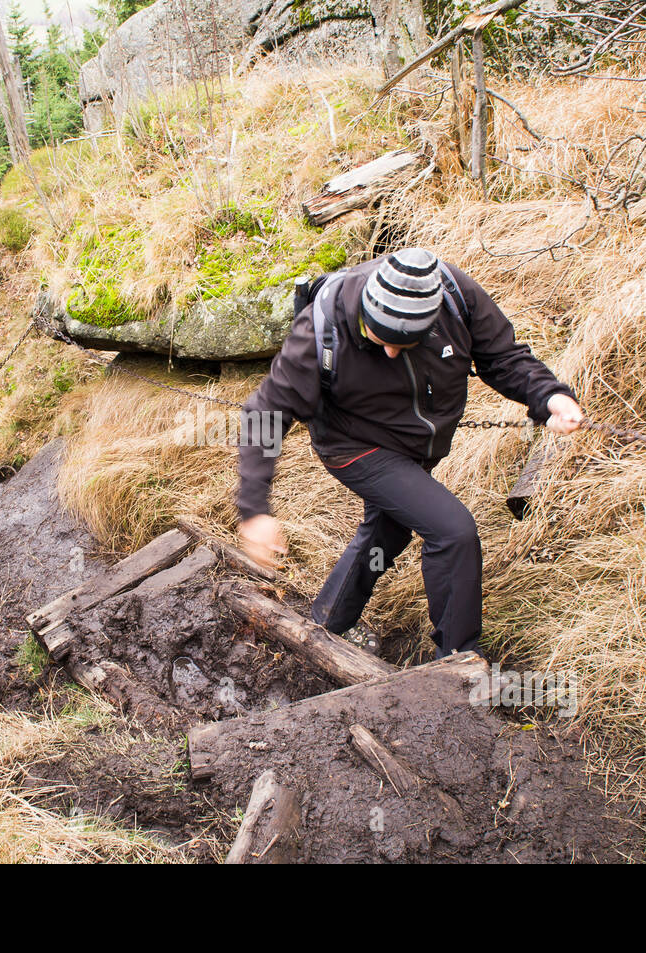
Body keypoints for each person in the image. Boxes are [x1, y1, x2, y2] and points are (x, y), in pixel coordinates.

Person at [235, 247, 584, 660]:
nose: (391, 354)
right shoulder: (320, 330)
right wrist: (255, 509)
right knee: (452, 532)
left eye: (405, 344)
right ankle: (457, 664)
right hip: (354, 446)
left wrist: (550, 396)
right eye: (379, 341)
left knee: (388, 531)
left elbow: (502, 357)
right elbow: (265, 415)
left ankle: (323, 627)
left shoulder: (454, 296)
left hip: (415, 445)